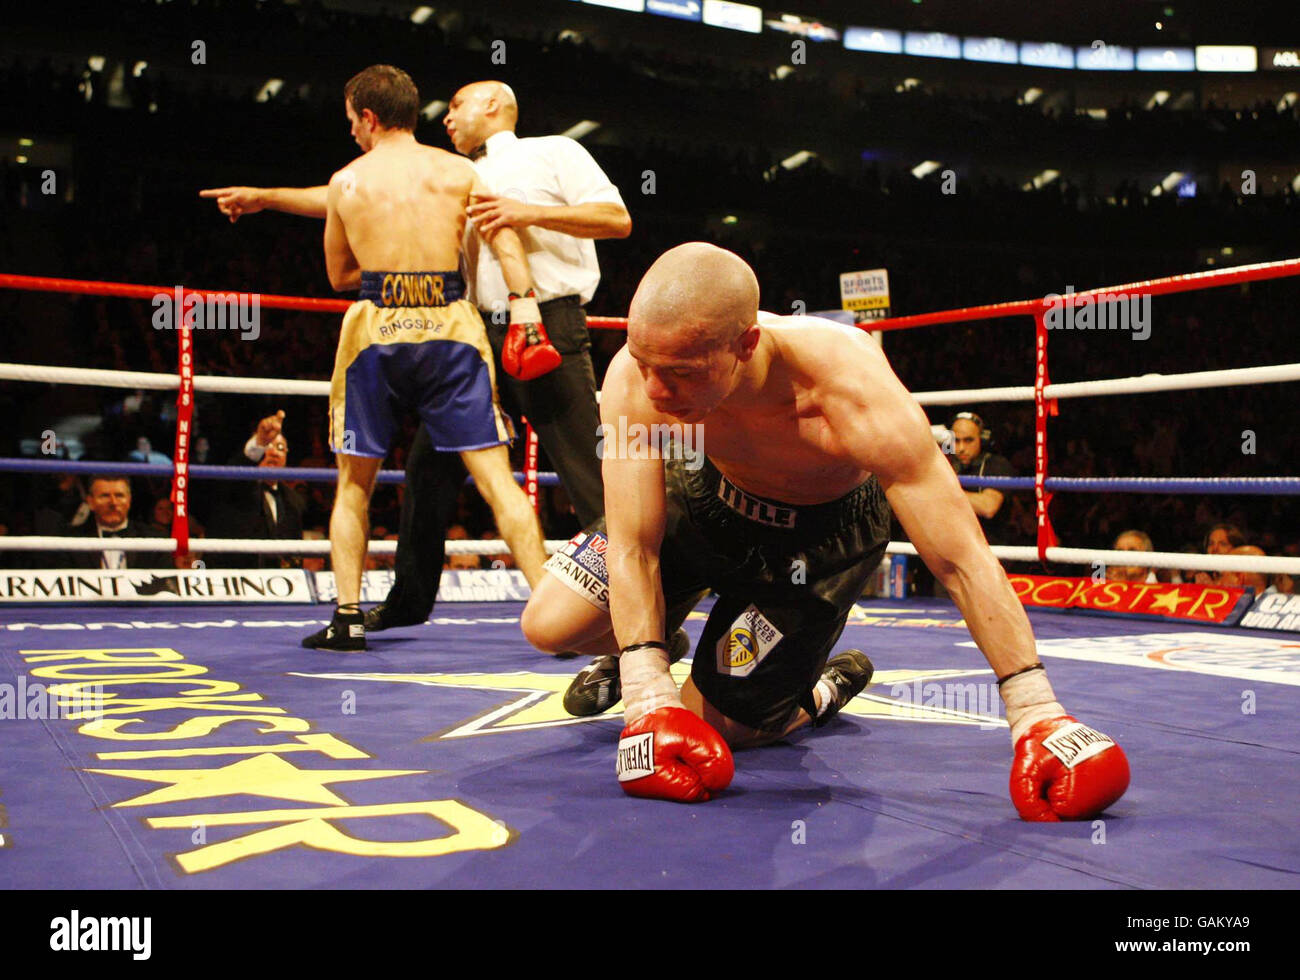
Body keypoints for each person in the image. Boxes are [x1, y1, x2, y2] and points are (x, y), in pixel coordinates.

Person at [521, 243, 1129, 821]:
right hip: (704, 496)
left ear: (746, 343)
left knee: (713, 727)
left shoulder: (848, 385)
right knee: (550, 625)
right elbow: (633, 543)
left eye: (679, 372)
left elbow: (960, 557)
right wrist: (645, 687)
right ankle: (656, 644)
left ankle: (819, 690)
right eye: (647, 364)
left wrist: (1036, 711)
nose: (655, 389)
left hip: (816, 543)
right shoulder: (638, 373)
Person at [199, 78, 630, 633]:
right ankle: (410, 600)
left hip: (540, 321)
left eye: (456, 106)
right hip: (469, 329)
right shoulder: (451, 172)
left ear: (493, 104)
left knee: (585, 475)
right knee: (429, 468)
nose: (445, 117)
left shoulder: (551, 152)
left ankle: (632, 606)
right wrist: (266, 198)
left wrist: (524, 214)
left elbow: (617, 219)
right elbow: (344, 194)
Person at [300, 64, 551, 651]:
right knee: (497, 480)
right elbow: (506, 241)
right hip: (451, 325)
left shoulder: (346, 182)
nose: (352, 135)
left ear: (368, 116)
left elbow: (339, 274)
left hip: (375, 329)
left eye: (352, 123)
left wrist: (393, 274)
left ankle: (347, 618)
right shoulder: (461, 170)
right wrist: (526, 312)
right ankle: (550, 613)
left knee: (353, 485)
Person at [206, 410, 306, 569]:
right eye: (268, 446)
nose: (273, 452)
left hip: (277, 585)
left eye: (280, 447)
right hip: (234, 579)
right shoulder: (236, 487)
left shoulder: (294, 501)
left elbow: (294, 552)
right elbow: (236, 472)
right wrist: (259, 442)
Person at [58, 475, 171, 569]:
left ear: (129, 501)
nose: (113, 503)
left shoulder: (154, 538)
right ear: (90, 502)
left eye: (119, 495)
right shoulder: (71, 540)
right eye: (105, 496)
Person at [948, 412, 1015, 546]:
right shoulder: (947, 466)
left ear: (983, 440)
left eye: (968, 440)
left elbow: (988, 507)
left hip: (990, 548)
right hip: (955, 546)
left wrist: (943, 491)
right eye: (956, 440)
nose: (961, 448)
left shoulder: (997, 465)